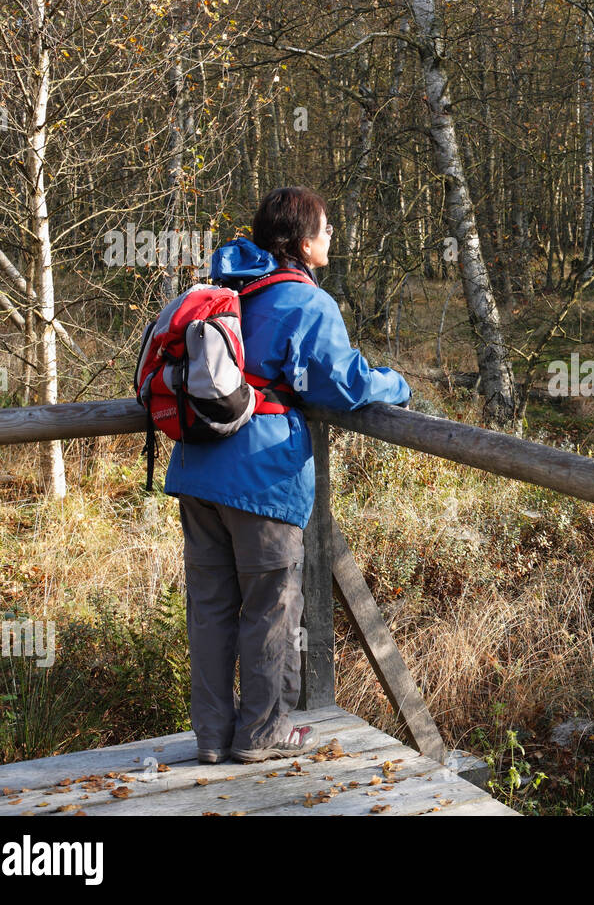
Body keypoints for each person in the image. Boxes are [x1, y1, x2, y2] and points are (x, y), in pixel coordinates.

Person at [163, 186, 411, 763]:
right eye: (326, 229)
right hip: (262, 478)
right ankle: (263, 733)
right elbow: (344, 386)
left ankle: (211, 737)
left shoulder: (227, 291)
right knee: (271, 607)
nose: (332, 238)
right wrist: (397, 384)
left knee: (212, 608)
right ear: (304, 242)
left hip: (198, 470)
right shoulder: (305, 303)